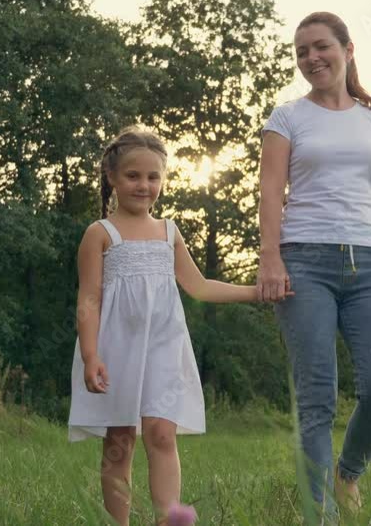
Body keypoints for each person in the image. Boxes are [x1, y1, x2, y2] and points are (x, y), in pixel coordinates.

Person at [68, 126, 286, 526]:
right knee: (120, 441)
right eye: (133, 176)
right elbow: (89, 299)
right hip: (116, 349)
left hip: (164, 348)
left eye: (153, 177)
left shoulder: (169, 232)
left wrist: (257, 292)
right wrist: (90, 354)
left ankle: (170, 520)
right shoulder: (99, 234)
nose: (144, 185)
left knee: (162, 435)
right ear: (112, 177)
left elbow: (199, 286)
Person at [257, 11, 371, 518]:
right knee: (316, 397)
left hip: (370, 263)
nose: (311, 58)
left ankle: (349, 472)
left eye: (321, 46)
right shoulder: (287, 117)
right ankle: (320, 514)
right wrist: (270, 257)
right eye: (301, 51)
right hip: (304, 262)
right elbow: (269, 192)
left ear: (348, 50)